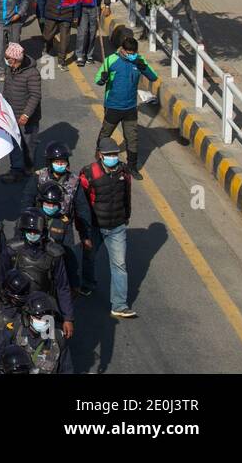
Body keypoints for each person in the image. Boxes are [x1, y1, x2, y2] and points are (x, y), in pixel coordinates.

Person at [77, 138, 135, 318]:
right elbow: (81, 204)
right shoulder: (88, 173)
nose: (112, 157)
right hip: (94, 226)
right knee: (89, 256)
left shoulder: (124, 172)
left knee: (120, 265)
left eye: (115, 154)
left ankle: (119, 304)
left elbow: (127, 195)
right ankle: (87, 284)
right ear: (100, 155)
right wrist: (83, 231)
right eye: (109, 154)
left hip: (117, 226)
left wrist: (126, 216)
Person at [95, 35, 157, 180]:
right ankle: (99, 160)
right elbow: (98, 80)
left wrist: (143, 67)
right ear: (122, 49)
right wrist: (103, 78)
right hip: (113, 106)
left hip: (130, 108)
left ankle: (132, 167)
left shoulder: (139, 60)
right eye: (128, 52)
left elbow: (153, 77)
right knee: (105, 135)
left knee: (132, 138)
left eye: (133, 53)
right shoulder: (111, 60)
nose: (130, 55)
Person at [0, 41, 41, 181]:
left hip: (28, 118)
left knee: (28, 145)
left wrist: (26, 114)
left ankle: (29, 169)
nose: (6, 62)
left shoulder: (32, 73)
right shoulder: (10, 69)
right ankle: (15, 170)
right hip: (12, 115)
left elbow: (35, 95)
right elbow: (6, 89)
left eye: (8, 59)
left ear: (16, 60)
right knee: (15, 144)